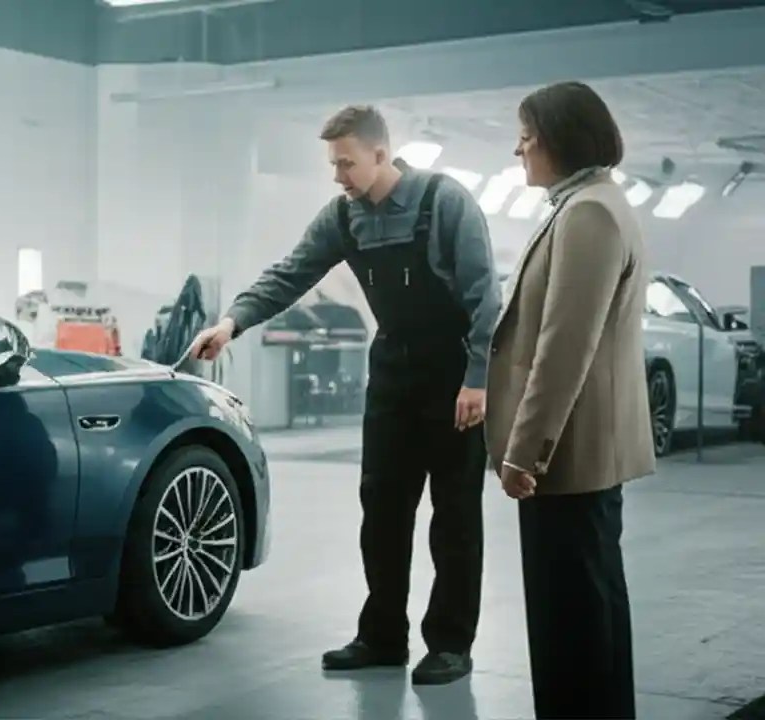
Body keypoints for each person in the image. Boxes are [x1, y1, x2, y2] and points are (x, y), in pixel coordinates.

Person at [189, 105, 502, 686]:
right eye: (333, 163)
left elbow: (487, 297)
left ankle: (451, 643)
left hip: (454, 372)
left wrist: (479, 379)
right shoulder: (344, 215)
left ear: (381, 155)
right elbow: (291, 273)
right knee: (381, 507)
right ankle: (382, 635)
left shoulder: (445, 203)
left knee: (454, 514)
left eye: (346, 163)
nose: (338, 175)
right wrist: (233, 322)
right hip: (391, 372)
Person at [484, 81, 654, 719]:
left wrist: (526, 451)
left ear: (560, 140)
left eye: (527, 138)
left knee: (570, 621)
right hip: (586, 452)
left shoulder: (588, 212)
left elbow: (565, 347)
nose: (518, 150)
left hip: (569, 455)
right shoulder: (592, 202)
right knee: (592, 607)